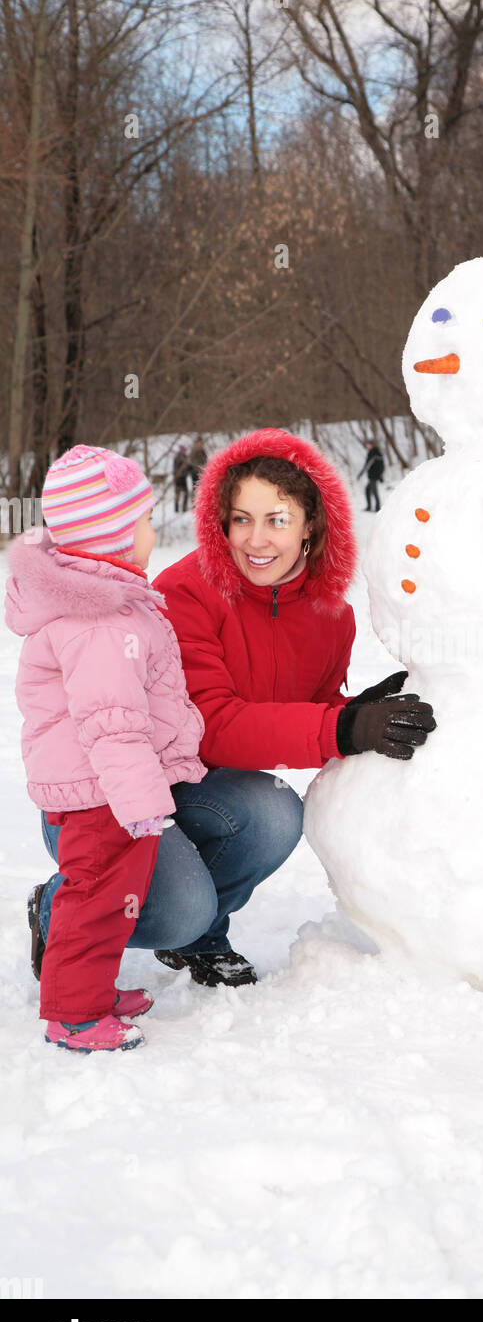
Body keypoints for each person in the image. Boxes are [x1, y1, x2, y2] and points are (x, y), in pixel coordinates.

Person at [144, 427, 435, 987]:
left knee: (275, 811)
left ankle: (198, 936)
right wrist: (343, 727)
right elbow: (212, 726)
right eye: (240, 519)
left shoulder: (331, 616)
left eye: (277, 519)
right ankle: (64, 911)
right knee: (177, 907)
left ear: (310, 528)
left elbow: (312, 709)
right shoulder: (186, 593)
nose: (256, 539)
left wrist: (355, 711)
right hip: (126, 793)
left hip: (209, 790)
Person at [6, 445, 208, 1052]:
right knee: (94, 899)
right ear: (111, 539)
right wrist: (141, 800)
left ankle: (91, 989)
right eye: (143, 522)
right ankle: (73, 1014)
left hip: (103, 789)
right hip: (101, 793)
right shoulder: (101, 625)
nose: (153, 532)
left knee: (115, 897)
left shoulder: (111, 604)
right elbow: (112, 724)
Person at [358, 438, 385, 512]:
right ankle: (370, 507)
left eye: (368, 444)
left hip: (373, 476)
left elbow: (368, 465)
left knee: (374, 491)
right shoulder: (377, 452)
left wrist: (361, 474)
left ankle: (377, 508)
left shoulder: (373, 452)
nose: (367, 446)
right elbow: (381, 465)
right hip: (375, 475)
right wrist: (380, 475)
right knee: (368, 490)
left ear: (371, 445)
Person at [173, 443, 193, 513]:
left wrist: (190, 470)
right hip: (178, 478)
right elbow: (175, 469)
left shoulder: (186, 457)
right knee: (177, 494)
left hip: (184, 478)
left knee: (186, 493)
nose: (185, 451)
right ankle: (176, 510)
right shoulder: (177, 458)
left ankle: (184, 509)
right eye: (184, 450)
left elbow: (188, 467)